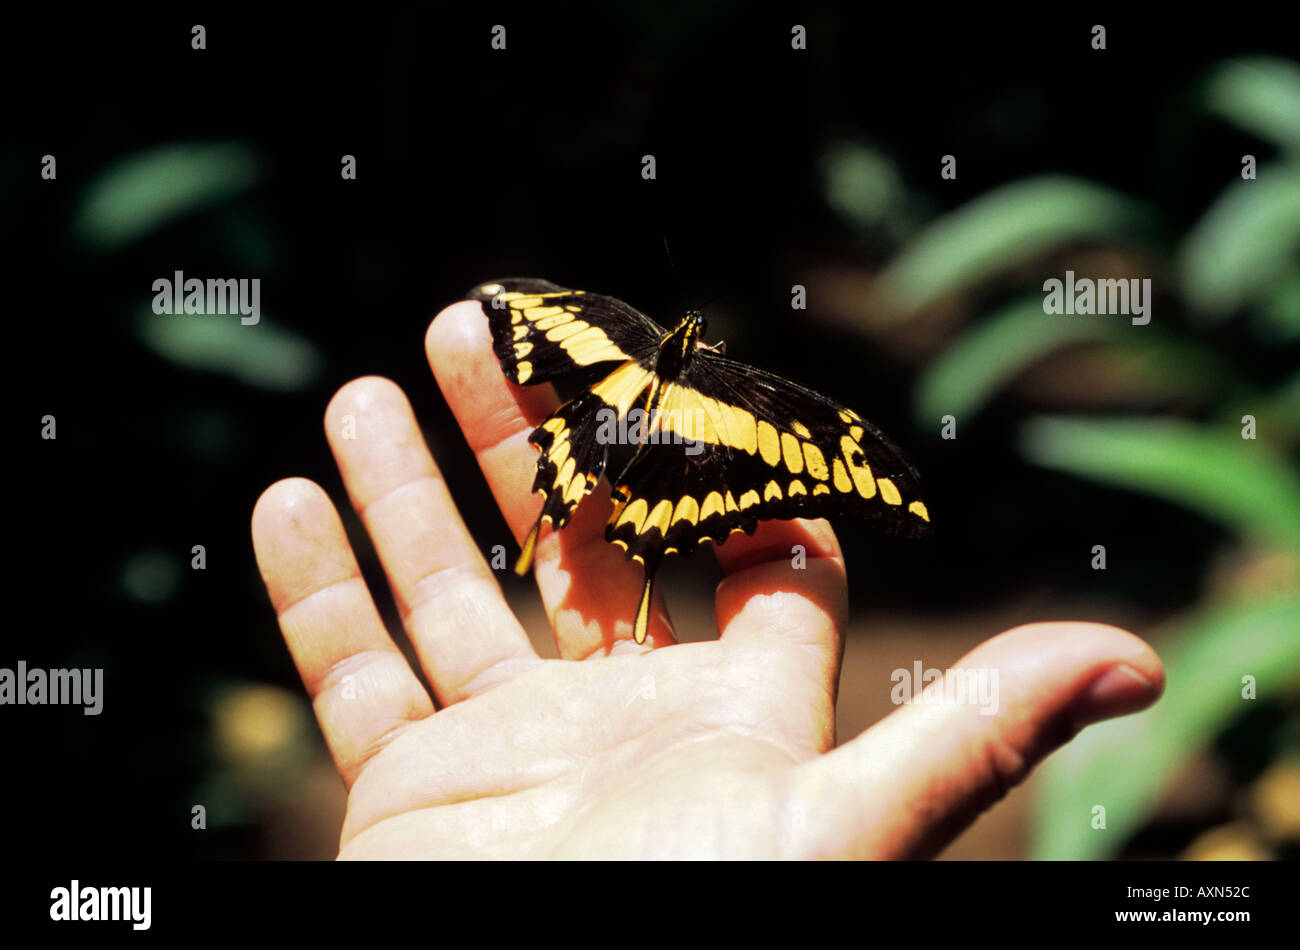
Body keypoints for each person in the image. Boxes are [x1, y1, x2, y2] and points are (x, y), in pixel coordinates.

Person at [250, 300, 1164, 858]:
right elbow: (525, 318)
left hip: (624, 441)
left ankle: (592, 493)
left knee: (599, 485)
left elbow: (536, 319)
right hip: (663, 454)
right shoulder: (733, 391)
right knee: (630, 507)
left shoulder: (610, 330)